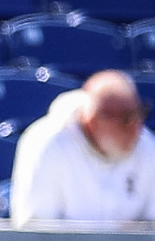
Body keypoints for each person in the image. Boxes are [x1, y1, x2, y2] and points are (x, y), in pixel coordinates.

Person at [9, 71, 155, 227]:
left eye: (138, 115)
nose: (135, 129)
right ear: (92, 120)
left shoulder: (146, 144)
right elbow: (35, 228)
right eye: (125, 119)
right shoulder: (46, 142)